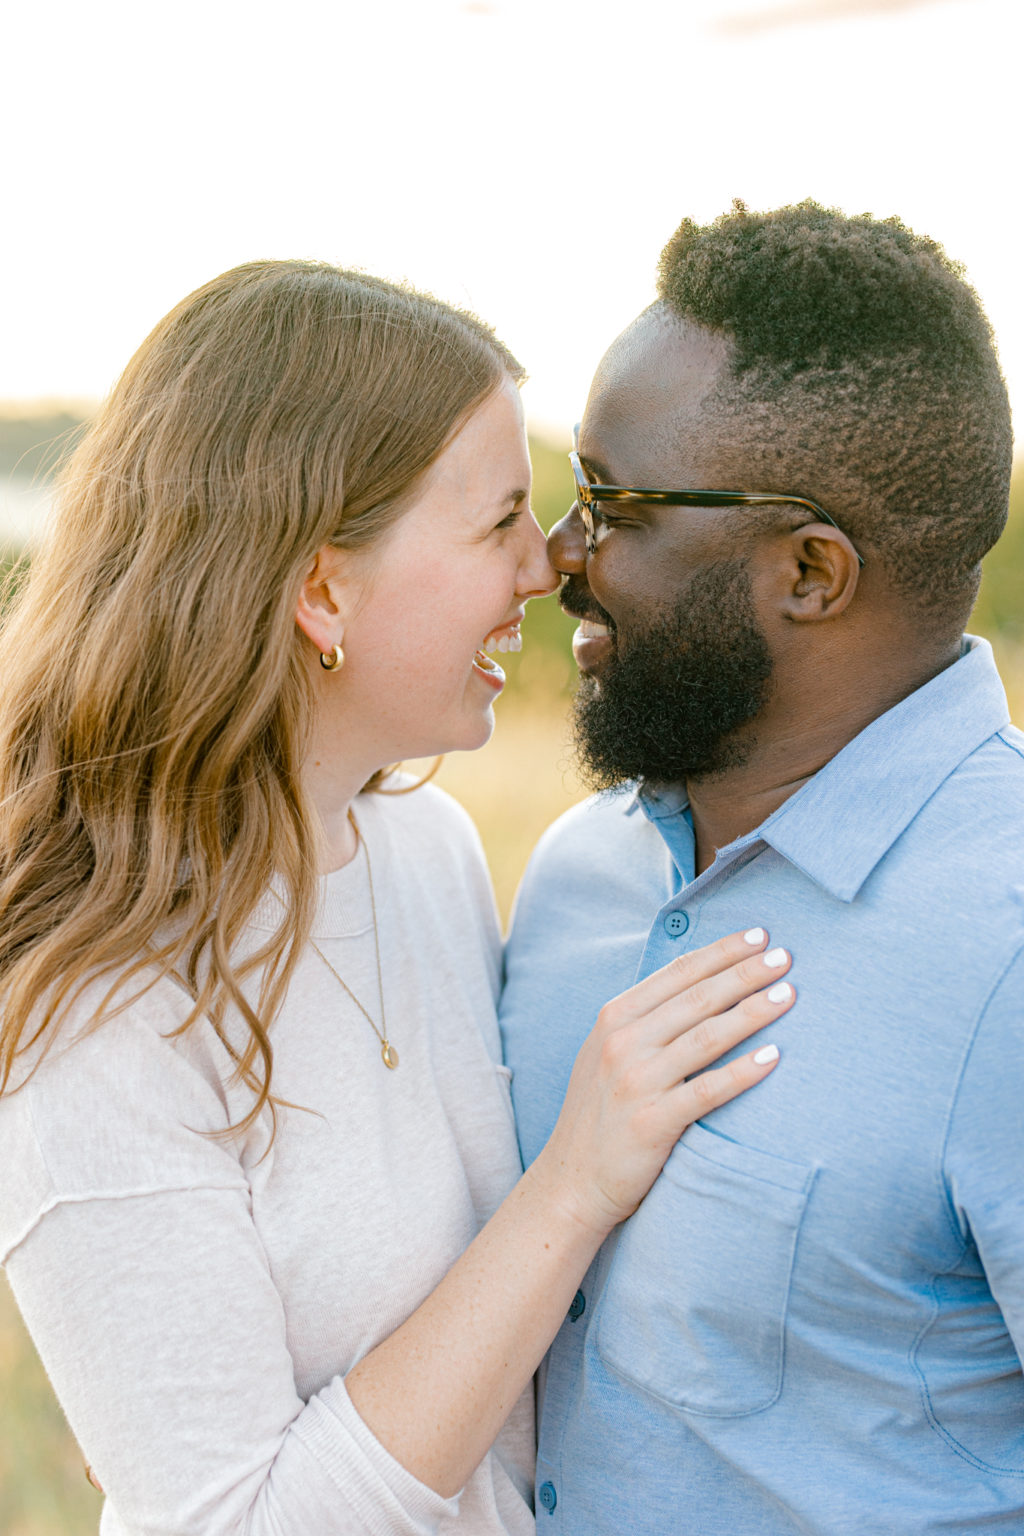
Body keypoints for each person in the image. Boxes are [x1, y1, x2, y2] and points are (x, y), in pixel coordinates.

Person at [0, 261, 795, 1536]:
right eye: (496, 524)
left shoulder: (426, 853)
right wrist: (577, 1180)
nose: (547, 567)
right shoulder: (99, 1008)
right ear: (322, 589)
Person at [500, 201, 1024, 1534]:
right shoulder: (578, 874)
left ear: (808, 570)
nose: (560, 557)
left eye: (611, 505)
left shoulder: (1008, 949)